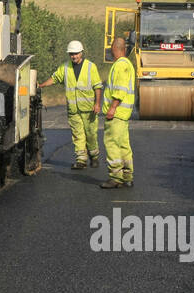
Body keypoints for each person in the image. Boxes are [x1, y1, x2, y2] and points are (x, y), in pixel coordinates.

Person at [51, 39, 102, 170]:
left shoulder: (91, 67)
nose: (74, 56)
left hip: (89, 110)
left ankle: (94, 157)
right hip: (73, 110)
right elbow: (55, 78)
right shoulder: (65, 67)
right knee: (78, 135)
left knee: (90, 134)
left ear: (81, 53)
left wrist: (97, 104)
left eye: (76, 53)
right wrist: (40, 85)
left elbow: (97, 87)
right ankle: (81, 160)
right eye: (71, 54)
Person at [100, 35, 136, 189]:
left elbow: (120, 90)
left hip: (116, 113)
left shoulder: (120, 65)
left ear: (115, 49)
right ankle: (127, 176)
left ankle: (115, 177)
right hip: (123, 115)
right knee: (123, 145)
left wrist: (112, 107)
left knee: (112, 143)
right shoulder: (127, 64)